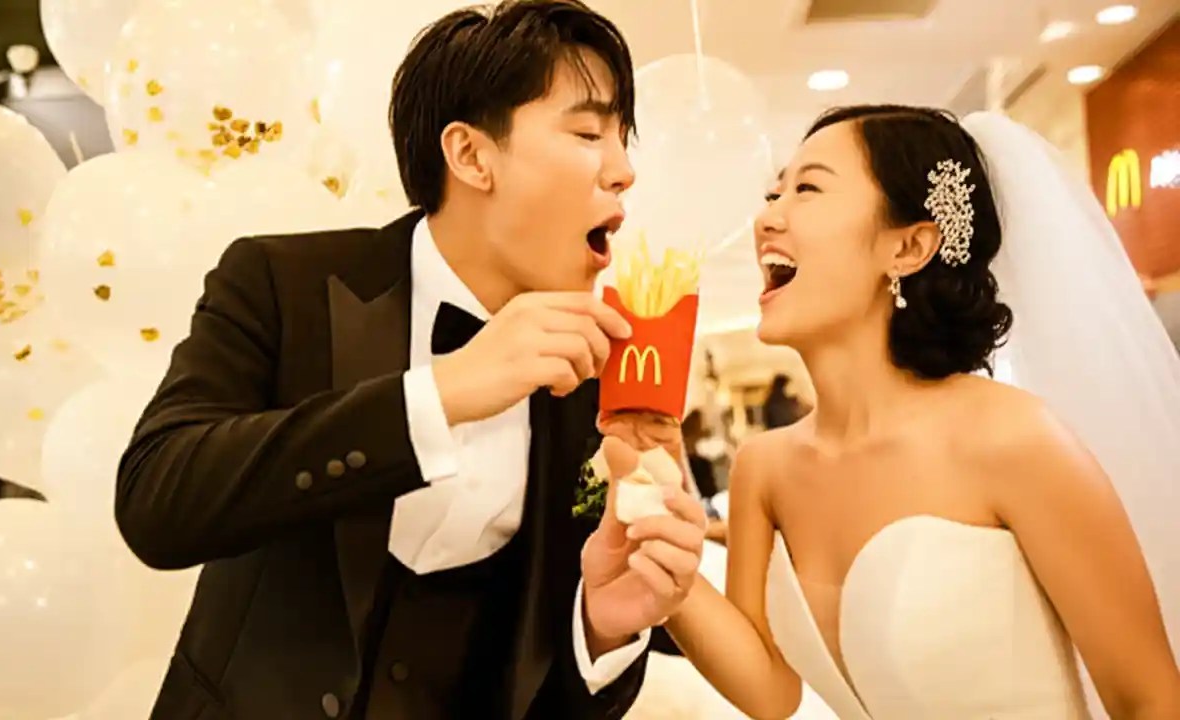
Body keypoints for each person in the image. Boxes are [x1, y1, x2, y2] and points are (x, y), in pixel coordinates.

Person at [114, 2, 706, 718]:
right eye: (587, 132)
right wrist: (440, 394)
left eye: (622, 139)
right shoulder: (281, 283)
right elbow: (157, 504)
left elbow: (545, 694)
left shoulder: (598, 377)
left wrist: (603, 627)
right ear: (470, 155)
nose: (623, 171)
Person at [662, 105, 1180, 719]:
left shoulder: (1011, 438)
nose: (767, 216)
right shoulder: (764, 468)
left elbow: (1150, 699)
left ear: (909, 246)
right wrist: (654, 542)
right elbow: (770, 693)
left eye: (806, 188)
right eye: (774, 191)